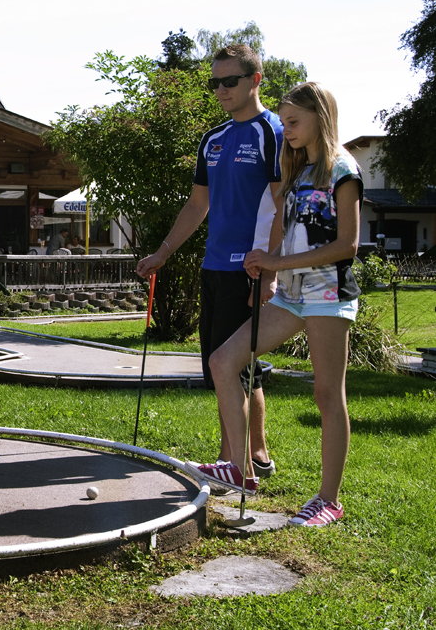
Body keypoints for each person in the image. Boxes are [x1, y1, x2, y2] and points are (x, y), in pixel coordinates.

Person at [197, 82, 361, 526]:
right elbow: (278, 228)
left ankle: (329, 499)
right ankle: (239, 467)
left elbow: (347, 245)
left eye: (293, 122)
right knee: (222, 361)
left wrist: (278, 260)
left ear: (319, 118)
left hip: (327, 296)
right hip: (289, 295)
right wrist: (267, 272)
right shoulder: (298, 170)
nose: (285, 129)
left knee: (328, 394)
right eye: (284, 122)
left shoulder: (342, 170)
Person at [136, 44, 282, 479]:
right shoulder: (213, 139)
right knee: (228, 366)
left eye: (229, 81)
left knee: (230, 366)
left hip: (249, 268)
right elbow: (197, 203)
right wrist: (162, 252)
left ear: (256, 80)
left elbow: (282, 204)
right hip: (213, 266)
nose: (220, 89)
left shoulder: (274, 132)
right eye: (214, 82)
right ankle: (256, 455)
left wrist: (270, 270)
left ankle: (232, 463)